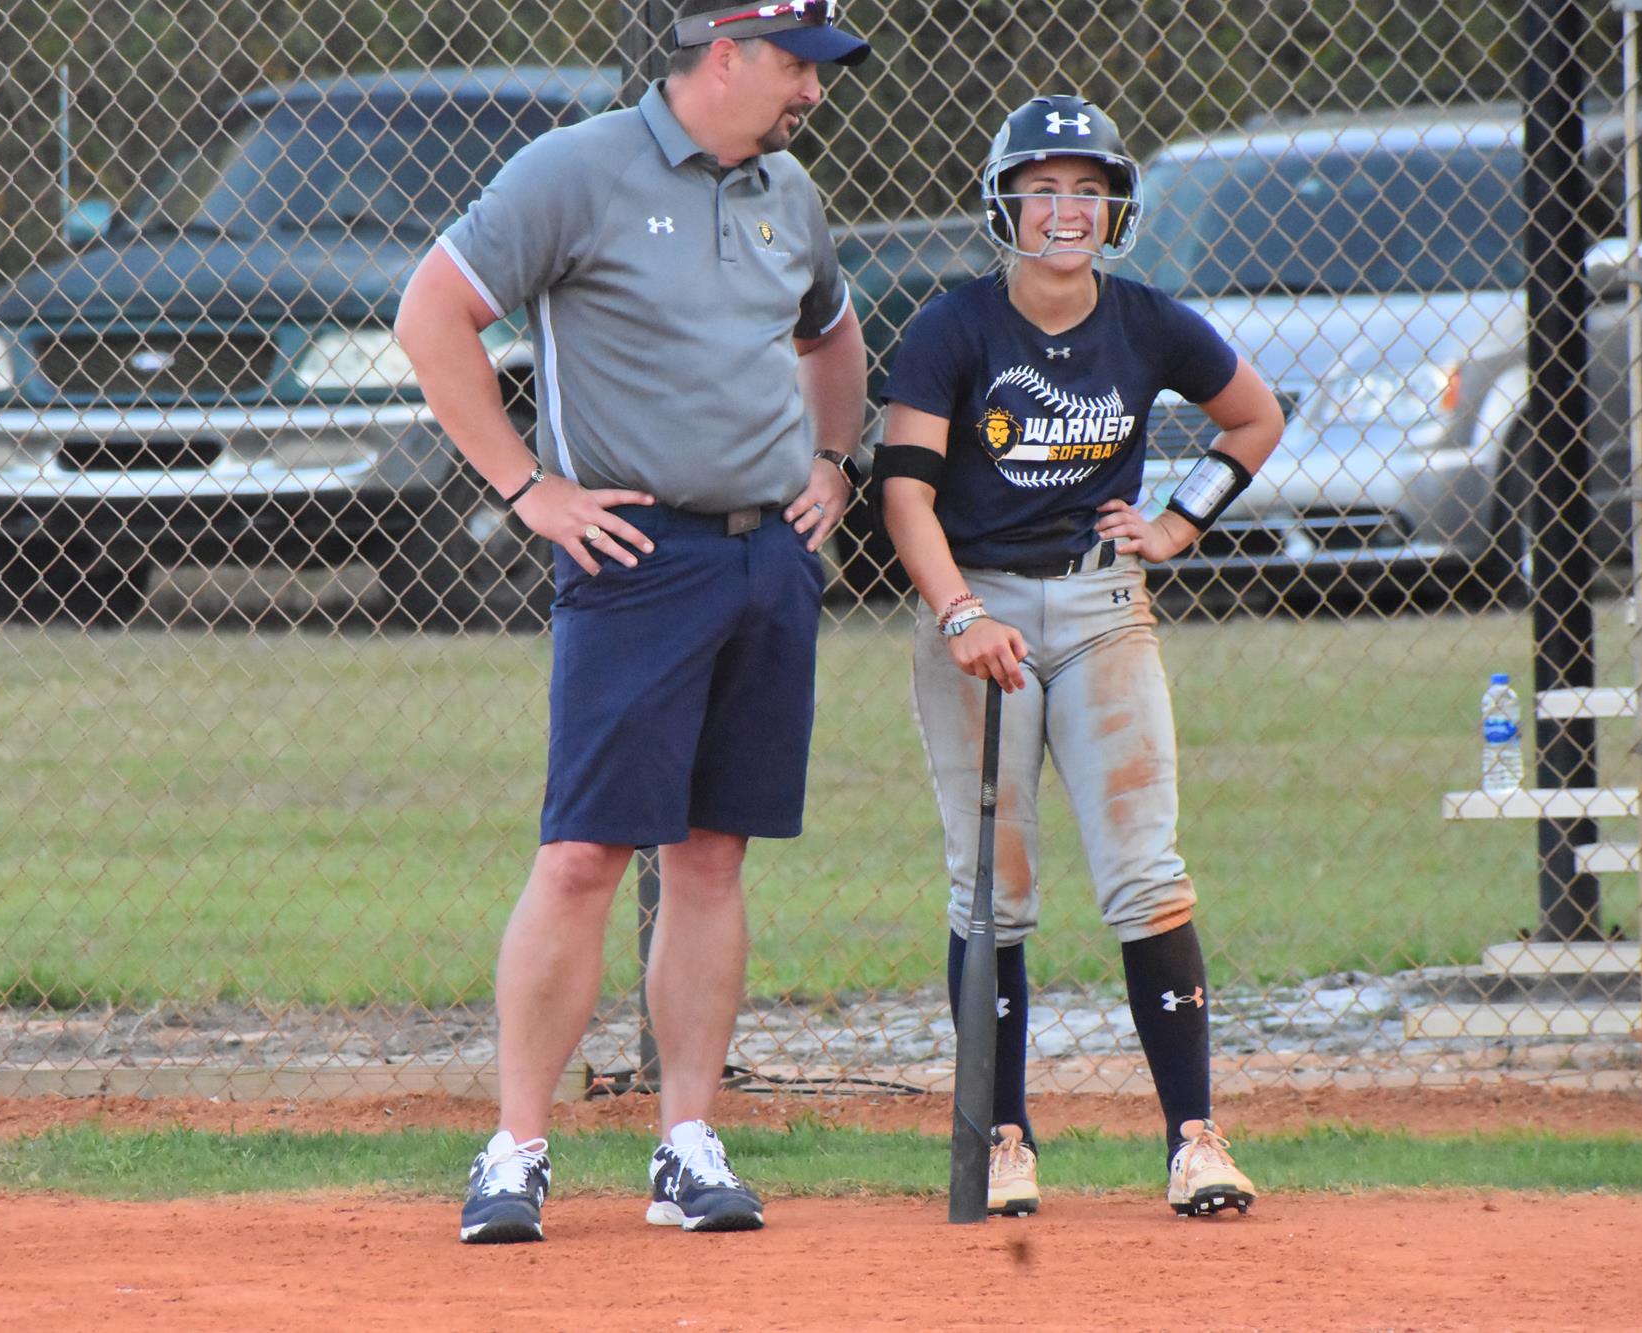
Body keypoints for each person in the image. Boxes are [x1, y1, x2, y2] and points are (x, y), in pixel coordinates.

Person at [393, 0, 870, 1244]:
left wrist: (832, 458)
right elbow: (430, 316)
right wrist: (523, 487)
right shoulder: (575, 170)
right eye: (795, 69)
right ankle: (515, 1148)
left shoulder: (786, 191)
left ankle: (686, 1143)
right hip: (632, 556)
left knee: (711, 858)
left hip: (767, 558)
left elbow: (831, 332)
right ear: (725, 55)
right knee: (584, 857)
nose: (810, 95)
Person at [874, 94, 1285, 1218]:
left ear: (1115, 207)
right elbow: (902, 494)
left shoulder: (1146, 319)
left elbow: (1252, 419)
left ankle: (1193, 1139)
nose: (1065, 211)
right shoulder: (950, 327)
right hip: (978, 616)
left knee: (1144, 870)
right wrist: (960, 615)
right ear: (1005, 202)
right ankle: (1001, 1138)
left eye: (1087, 190)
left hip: (1103, 608)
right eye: (1043, 189)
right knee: (990, 890)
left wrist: (1177, 523)